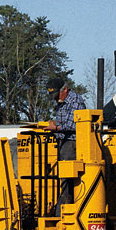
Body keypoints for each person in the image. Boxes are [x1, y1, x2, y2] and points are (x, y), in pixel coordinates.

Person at [45, 77, 86, 212]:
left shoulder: (76, 101)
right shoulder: (61, 102)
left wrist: (56, 128)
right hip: (63, 143)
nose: (56, 99)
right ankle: (63, 207)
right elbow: (63, 123)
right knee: (63, 177)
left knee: (67, 178)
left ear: (65, 90)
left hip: (73, 143)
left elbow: (74, 125)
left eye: (57, 95)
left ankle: (65, 208)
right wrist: (55, 125)